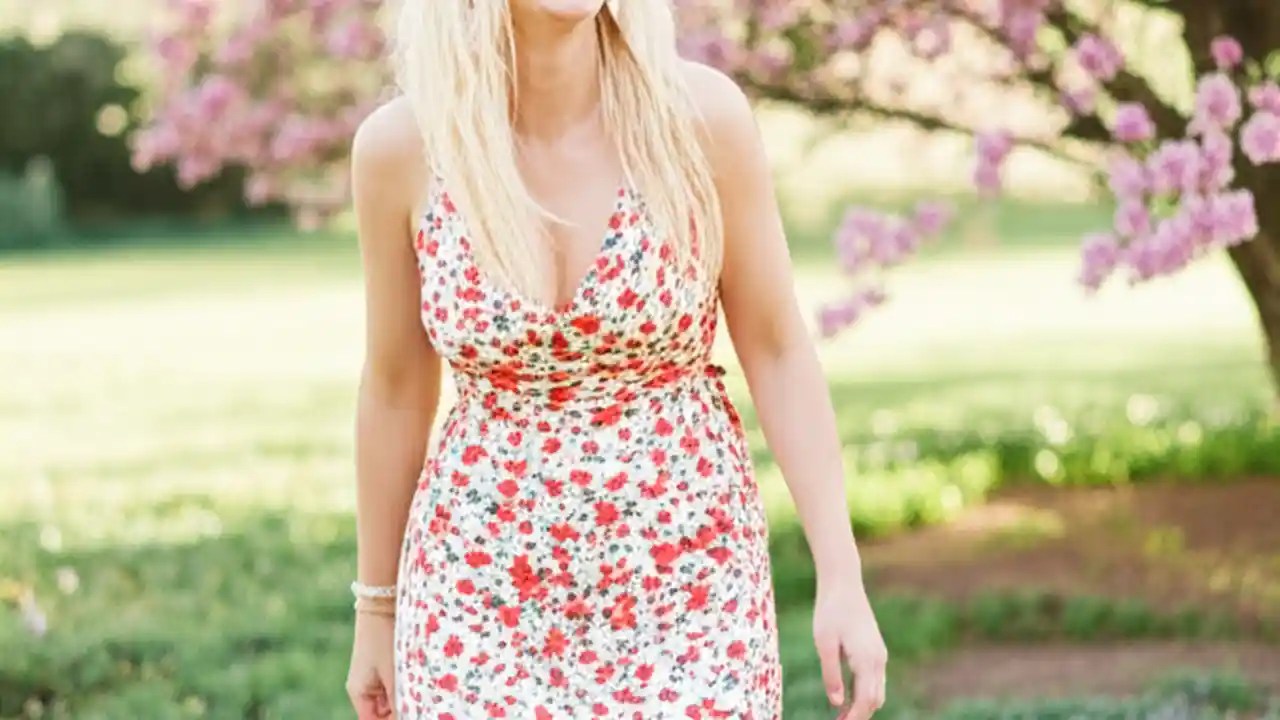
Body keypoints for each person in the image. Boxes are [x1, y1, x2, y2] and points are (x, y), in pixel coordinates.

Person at [344, 0, 887, 717]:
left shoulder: (700, 120)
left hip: (688, 584)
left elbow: (779, 348)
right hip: (478, 598)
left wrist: (841, 575)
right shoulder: (402, 150)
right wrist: (376, 611)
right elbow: (395, 389)